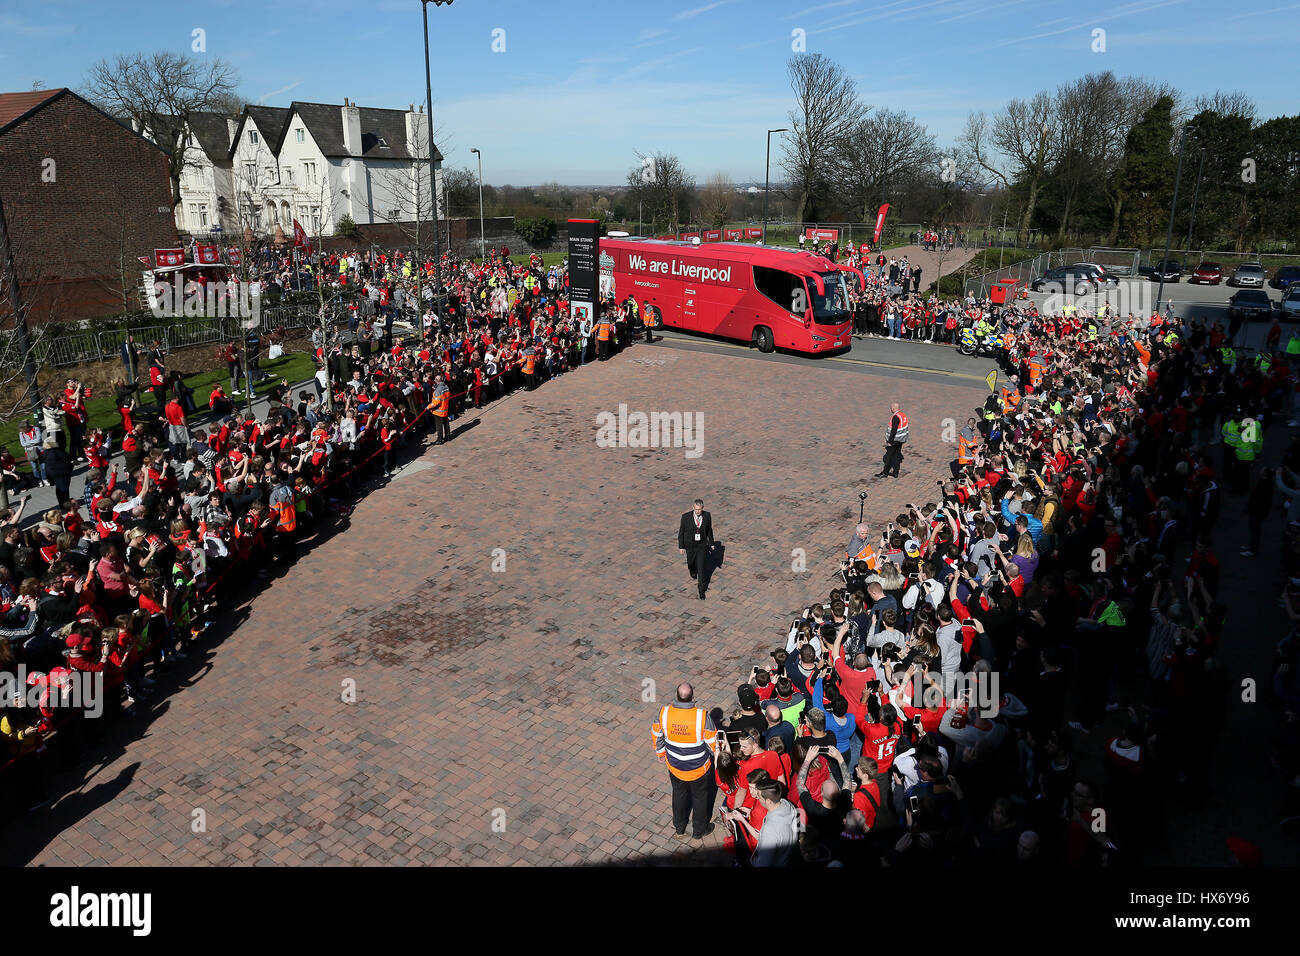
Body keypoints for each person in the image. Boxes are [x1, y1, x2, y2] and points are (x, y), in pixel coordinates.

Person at [651, 682, 718, 842]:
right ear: (693, 697)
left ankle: (679, 827)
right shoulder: (702, 716)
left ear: (676, 696)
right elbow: (712, 743)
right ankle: (699, 830)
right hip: (699, 768)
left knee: (679, 795)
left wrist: (660, 752)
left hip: (675, 766)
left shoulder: (664, 713)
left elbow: (656, 733)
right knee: (700, 798)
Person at [677, 497, 715, 599]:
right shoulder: (686, 517)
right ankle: (692, 570)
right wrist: (681, 546)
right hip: (690, 546)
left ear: (702, 508)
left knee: (701, 569)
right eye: (696, 509)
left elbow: (709, 530)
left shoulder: (707, 516)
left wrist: (711, 543)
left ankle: (701, 591)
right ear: (693, 508)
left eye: (699, 509)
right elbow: (681, 533)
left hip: (702, 546)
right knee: (691, 562)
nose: (698, 511)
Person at [876, 402, 909, 478]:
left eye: (891, 408)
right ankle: (895, 473)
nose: (890, 409)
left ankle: (885, 473)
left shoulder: (895, 417)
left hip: (895, 440)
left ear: (894, 409)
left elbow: (893, 431)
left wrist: (890, 442)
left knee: (889, 457)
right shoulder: (902, 415)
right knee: (897, 456)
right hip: (901, 439)